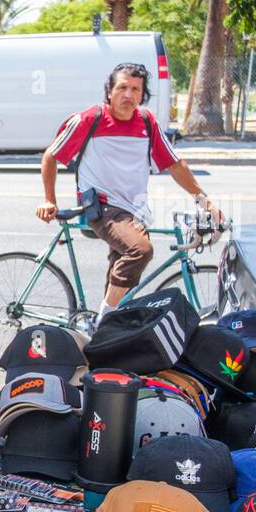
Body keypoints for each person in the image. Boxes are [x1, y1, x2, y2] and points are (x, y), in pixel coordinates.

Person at [37, 62, 225, 319]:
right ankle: (104, 320)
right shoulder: (90, 120)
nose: (129, 94)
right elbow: (51, 156)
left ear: (142, 94)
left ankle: (102, 334)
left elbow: (175, 164)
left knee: (124, 282)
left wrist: (205, 201)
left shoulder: (147, 122)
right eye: (122, 87)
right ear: (109, 91)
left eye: (136, 89)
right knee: (140, 250)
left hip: (135, 211)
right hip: (102, 207)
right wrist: (50, 200)